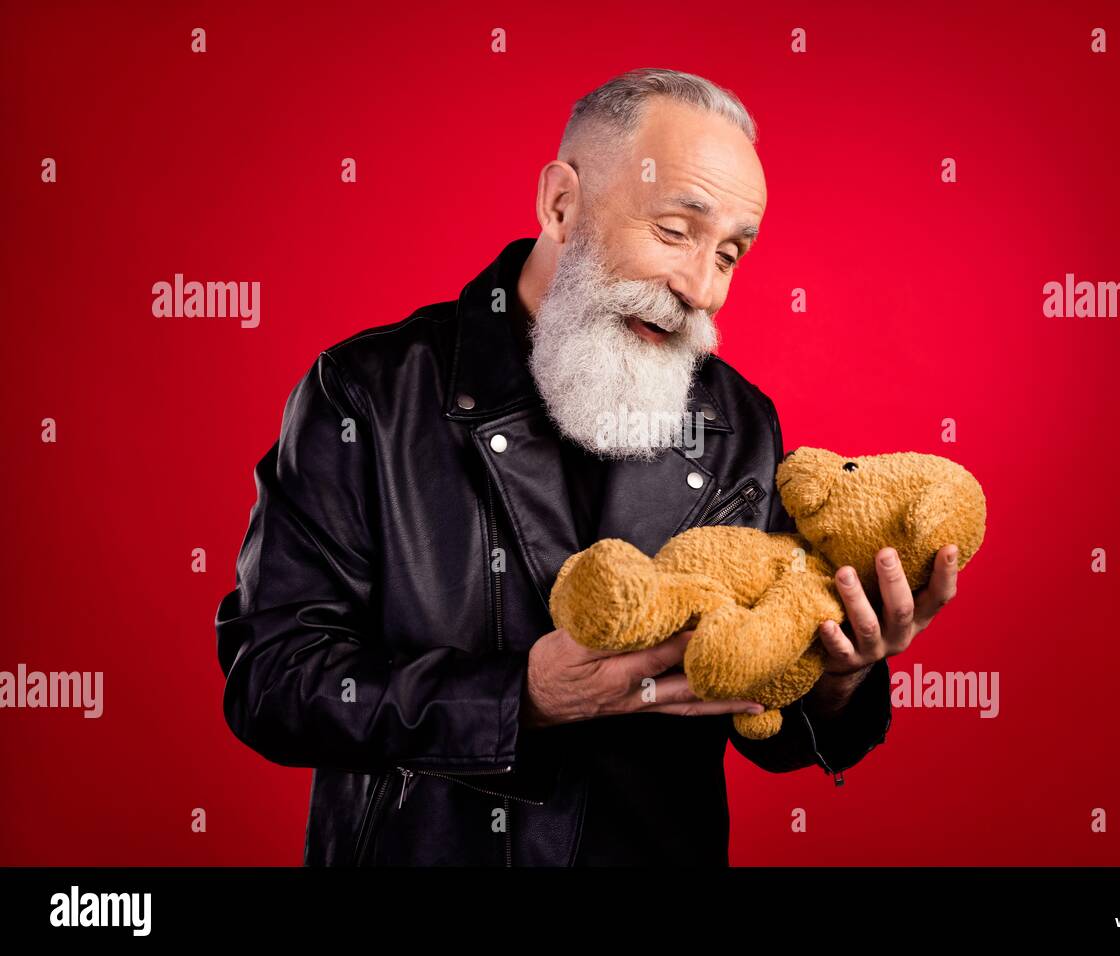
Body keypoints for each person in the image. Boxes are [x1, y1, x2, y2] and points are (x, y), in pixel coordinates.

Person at [215, 67, 960, 866]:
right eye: (676, 232)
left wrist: (840, 680)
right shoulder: (367, 395)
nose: (700, 288)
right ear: (561, 205)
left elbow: (761, 719)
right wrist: (519, 698)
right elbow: (275, 681)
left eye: (731, 254)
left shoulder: (741, 422)